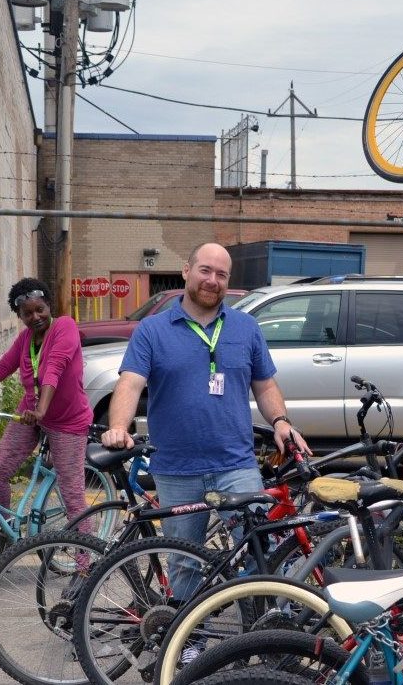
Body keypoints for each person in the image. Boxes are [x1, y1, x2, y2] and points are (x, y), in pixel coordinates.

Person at [101, 243, 309, 590]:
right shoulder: (152, 331)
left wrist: (281, 422)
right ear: (187, 270)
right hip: (176, 469)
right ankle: (190, 640)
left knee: (259, 552)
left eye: (221, 274)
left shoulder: (246, 328)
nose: (212, 280)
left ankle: (263, 633)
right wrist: (119, 427)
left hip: (236, 465)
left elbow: (266, 386)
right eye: (205, 270)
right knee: (185, 561)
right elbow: (129, 383)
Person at [0, 278, 93, 566]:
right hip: (29, 413)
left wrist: (43, 409)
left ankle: (85, 567)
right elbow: (1, 368)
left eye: (40, 309)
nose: (35, 316)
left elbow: (54, 369)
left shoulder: (64, 327)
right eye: (27, 313)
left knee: (73, 494)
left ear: (49, 305)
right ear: (20, 316)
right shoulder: (25, 339)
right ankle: (7, 531)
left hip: (66, 420)